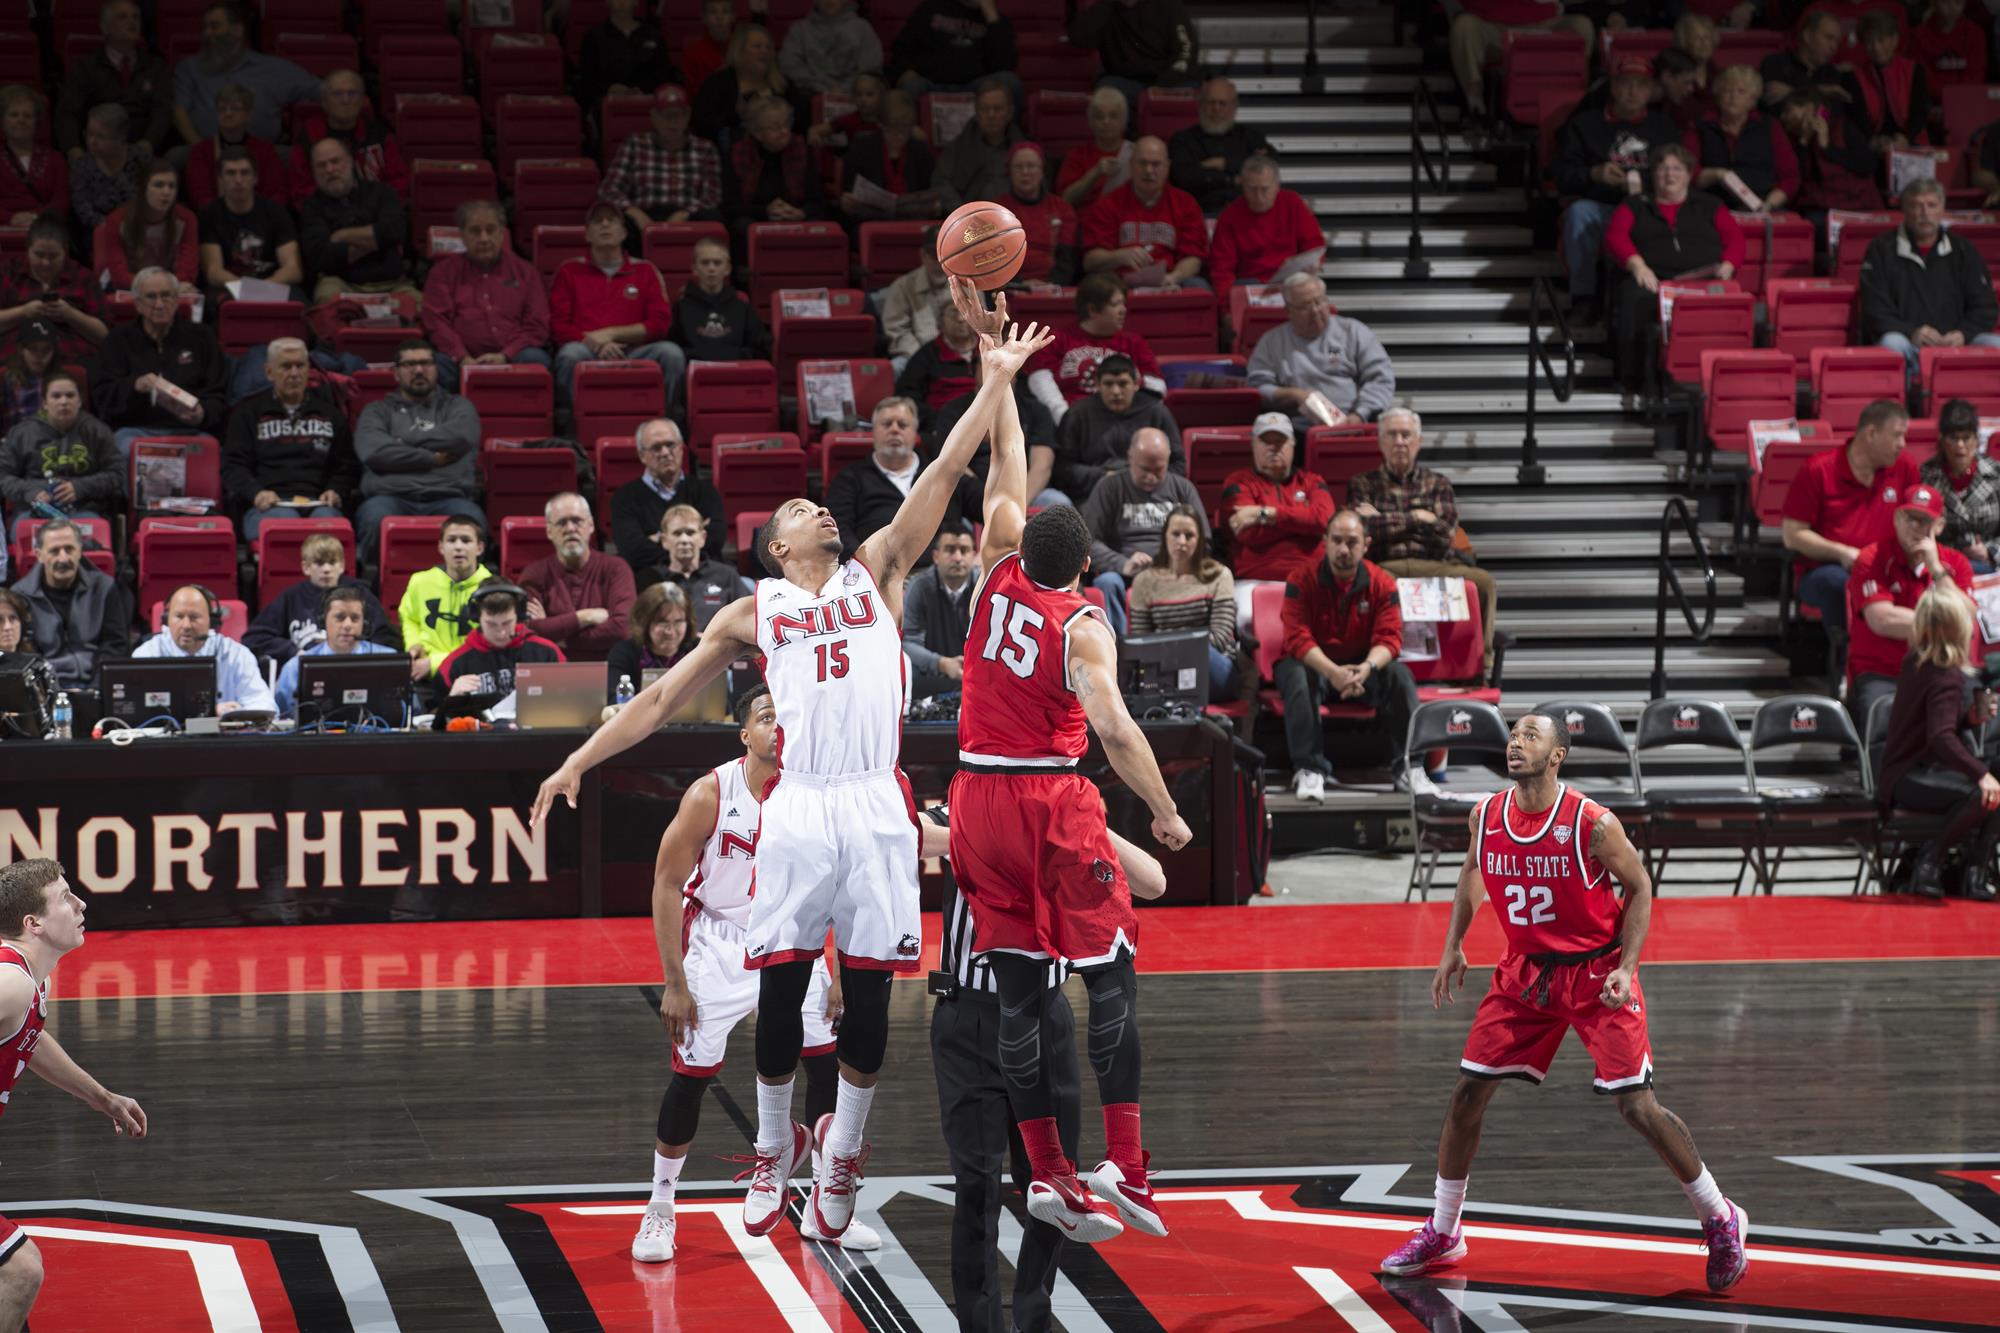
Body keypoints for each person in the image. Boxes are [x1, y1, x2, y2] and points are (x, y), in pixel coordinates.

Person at [531, 307, 1053, 1245]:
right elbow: (657, 703)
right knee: (780, 987)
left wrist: (996, 379)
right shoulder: (753, 610)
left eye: (820, 506)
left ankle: (842, 1154)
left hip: (877, 795)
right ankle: (772, 1149)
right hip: (803, 799)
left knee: (867, 987)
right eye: (800, 511)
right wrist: (577, 756)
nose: (819, 507)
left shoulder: (878, 568)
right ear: (778, 547)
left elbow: (940, 474)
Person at [946, 299, 1192, 1240]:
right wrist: (1165, 814)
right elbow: (1120, 734)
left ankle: (1045, 1170)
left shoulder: (995, 566)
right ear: (1086, 563)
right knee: (1111, 977)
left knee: (1016, 989)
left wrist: (995, 368)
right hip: (1048, 800)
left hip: (974, 799)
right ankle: (1127, 1166)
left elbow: (1005, 463)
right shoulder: (1082, 623)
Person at [1379, 712, 1749, 1294]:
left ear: (1557, 756)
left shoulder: (1590, 823)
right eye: (1514, 734)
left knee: (1637, 1107)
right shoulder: (1487, 814)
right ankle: (1445, 1229)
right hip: (1524, 973)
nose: (1516, 742)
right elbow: (1474, 872)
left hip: (1595, 973)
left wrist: (1627, 968)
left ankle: (1720, 1216)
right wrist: (1453, 945)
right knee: (1468, 1092)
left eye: (1532, 736)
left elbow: (1641, 886)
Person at [636, 685, 880, 1263]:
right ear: (745, 733)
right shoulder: (709, 794)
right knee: (691, 1077)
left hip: (794, 940)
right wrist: (674, 980)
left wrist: (838, 968)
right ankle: (661, 1206)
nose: (778, 726)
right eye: (765, 717)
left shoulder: (813, 794)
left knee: (826, 1063)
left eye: (785, 717)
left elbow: (838, 890)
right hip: (718, 943)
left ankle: (825, 1203)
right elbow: (667, 883)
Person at [924, 800, 1168, 1333]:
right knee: (975, 1184)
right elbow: (918, 838)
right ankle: (979, 1325)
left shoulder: (1070, 820)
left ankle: (1034, 1313)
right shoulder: (961, 806)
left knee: (1055, 1180)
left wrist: (1086, 829)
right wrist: (1004, 827)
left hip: (1044, 1020)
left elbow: (1153, 882)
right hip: (965, 1018)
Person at [0, 859, 149, 1331]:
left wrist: (100, 1097)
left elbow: (28, 1038)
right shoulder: (11, 982)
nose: (81, 903)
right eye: (65, 897)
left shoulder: (26, 981)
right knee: (19, 1272)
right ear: (34, 924)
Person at [1278, 508, 1425, 799]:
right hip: (1315, 666)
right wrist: (1333, 672)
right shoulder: (1301, 579)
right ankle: (1309, 769)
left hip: (1362, 667)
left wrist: (1366, 668)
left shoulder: (1382, 582)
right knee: (1294, 673)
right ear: (1325, 541)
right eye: (1336, 540)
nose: (1343, 549)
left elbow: (1390, 638)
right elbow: (1296, 637)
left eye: (1352, 542)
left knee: (1399, 674)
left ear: (1366, 544)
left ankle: (1409, 767)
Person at [1347, 406, 1500, 675]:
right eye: (1392, 435)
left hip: (1432, 564)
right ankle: (1366, 665)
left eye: (1406, 435)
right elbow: (1364, 531)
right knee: (1355, 583)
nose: (1399, 442)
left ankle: (1481, 667)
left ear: (1418, 441)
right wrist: (1419, 517)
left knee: (1483, 582)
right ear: (1380, 442)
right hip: (1384, 565)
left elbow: (1444, 534)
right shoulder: (1362, 483)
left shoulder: (1438, 483)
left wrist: (1386, 519)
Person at [1877, 585, 2000, 899]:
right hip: (1910, 776)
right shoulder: (1945, 675)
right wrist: (1980, 773)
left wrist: (1969, 719)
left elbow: (1936, 727)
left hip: (1910, 772)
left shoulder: (1916, 661)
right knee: (1982, 791)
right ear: (1955, 627)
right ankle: (1933, 860)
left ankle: (1974, 869)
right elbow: (1940, 738)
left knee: (1994, 783)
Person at [1604, 144, 1744, 393]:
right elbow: (1616, 237)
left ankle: (1721, 379)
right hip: (1654, 279)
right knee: (1634, 298)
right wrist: (1637, 265)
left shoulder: (1710, 205)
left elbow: (1736, 239)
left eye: (1677, 169)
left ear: (1689, 174)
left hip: (1703, 279)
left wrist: (1728, 264)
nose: (1670, 175)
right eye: (1663, 168)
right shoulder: (1635, 205)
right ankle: (1633, 379)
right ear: (1653, 174)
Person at [1554, 58, 1682, 325]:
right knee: (1579, 213)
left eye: (1641, 86)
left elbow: (1679, 174)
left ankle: (1660, 299)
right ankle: (1584, 298)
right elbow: (1561, 174)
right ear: (1613, 87)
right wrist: (1594, 174)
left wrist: (1642, 181)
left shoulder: (1664, 127)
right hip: (1602, 206)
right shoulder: (1585, 124)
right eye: (1626, 84)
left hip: (1649, 208)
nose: (1633, 92)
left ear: (1651, 91)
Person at [1782, 398, 1917, 632]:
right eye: (1896, 435)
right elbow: (1792, 535)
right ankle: (1849, 657)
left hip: (1889, 567)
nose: (1902, 444)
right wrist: (1842, 553)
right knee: (1842, 583)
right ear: (1871, 433)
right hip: (1830, 568)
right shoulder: (1818, 469)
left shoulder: (1905, 466)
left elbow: (1916, 521)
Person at [1846, 481, 1973, 727]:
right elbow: (1882, 620)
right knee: (1879, 716)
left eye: (1923, 520)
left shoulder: (1955, 563)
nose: (1914, 527)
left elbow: (1968, 619)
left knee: (1977, 707)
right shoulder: (1871, 558)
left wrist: (1936, 570)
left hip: (1942, 668)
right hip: (1882, 673)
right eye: (1909, 517)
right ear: (1896, 519)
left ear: (1939, 526)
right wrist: (1948, 620)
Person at [352, 340, 485, 562]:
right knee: (374, 519)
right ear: (396, 373)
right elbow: (373, 451)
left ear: (436, 368)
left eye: (425, 363)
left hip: (449, 496)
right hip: (390, 497)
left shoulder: (458, 406)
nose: (419, 370)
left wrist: (400, 441)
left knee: (472, 522)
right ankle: (374, 588)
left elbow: (461, 437)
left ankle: (468, 593)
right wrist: (430, 458)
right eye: (409, 364)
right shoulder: (377, 411)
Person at [1860, 178, 2000, 380]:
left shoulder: (1964, 250)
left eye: (1931, 205)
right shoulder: (1881, 250)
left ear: (1942, 209)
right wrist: (1912, 332)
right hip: (1908, 342)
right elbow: (1875, 309)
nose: (1925, 212)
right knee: (1891, 344)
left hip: (1959, 341)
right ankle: (1900, 410)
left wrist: (1963, 333)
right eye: (1916, 206)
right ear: (1904, 211)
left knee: (1997, 345)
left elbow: (1985, 307)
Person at [550, 203, 683, 412]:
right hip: (588, 350)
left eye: (611, 220)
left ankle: (667, 422)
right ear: (587, 234)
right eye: (597, 221)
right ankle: (570, 425)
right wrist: (597, 344)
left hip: (636, 351)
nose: (604, 225)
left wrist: (610, 334)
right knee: (569, 355)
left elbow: (660, 324)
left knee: (671, 354)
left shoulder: (645, 270)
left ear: (623, 232)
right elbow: (559, 326)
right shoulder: (569, 271)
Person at [222, 338, 356, 539]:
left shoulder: (330, 414)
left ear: (308, 369)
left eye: (300, 366)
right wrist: (256, 493)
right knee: (286, 526)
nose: (294, 373)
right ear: (269, 372)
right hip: (269, 505)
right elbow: (232, 466)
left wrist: (335, 490)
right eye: (285, 366)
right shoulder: (247, 414)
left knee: (330, 530)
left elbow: (346, 465)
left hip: (318, 503)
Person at [1079, 427, 1206, 636]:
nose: (1151, 476)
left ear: (1168, 460)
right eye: (1144, 468)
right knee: (1106, 583)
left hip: (1173, 568)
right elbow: (1089, 542)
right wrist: (1122, 563)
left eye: (1158, 469)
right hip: (1124, 570)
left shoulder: (1183, 489)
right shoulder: (1110, 487)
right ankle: (1118, 649)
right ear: (1130, 458)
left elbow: (1203, 540)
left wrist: (1174, 560)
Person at [93, 267, 228, 459]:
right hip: (135, 432)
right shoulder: (117, 340)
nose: (159, 304)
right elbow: (103, 399)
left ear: (176, 300)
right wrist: (135, 386)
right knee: (121, 451)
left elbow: (218, 392)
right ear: (138, 304)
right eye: (151, 297)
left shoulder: (202, 337)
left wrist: (202, 414)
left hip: (189, 432)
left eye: (166, 296)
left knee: (209, 454)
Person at [420, 200, 552, 391]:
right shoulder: (442, 273)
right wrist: (462, 357)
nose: (484, 238)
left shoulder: (526, 272)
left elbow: (537, 323)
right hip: (458, 359)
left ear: (502, 233)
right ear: (463, 236)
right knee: (432, 367)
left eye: (490, 230)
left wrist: (505, 355)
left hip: (515, 355)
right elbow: (436, 322)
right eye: (475, 231)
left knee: (534, 359)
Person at [826, 395, 979, 557]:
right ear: (873, 432)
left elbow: (987, 506)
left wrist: (981, 557)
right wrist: (863, 566)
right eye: (886, 424)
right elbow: (838, 530)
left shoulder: (942, 473)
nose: (894, 429)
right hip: (877, 574)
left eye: (902, 425)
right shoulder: (849, 479)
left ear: (915, 432)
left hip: (943, 575)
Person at [1213, 411, 1336, 611]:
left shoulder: (1313, 481)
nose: (1273, 447)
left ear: (1293, 444)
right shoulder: (1237, 482)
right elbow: (1248, 533)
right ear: (1253, 444)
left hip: (1313, 578)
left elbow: (1323, 520)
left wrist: (1265, 514)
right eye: (1266, 441)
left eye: (1280, 440)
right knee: (1246, 621)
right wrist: (1303, 524)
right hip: (1256, 581)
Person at [1128, 503, 1246, 704]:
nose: (1181, 542)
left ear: (1199, 540)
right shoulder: (1144, 581)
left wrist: (1170, 646)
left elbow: (1221, 637)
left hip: (1210, 664)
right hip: (1163, 664)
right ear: (1165, 536)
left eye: (1189, 536)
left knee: (1202, 656)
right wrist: (1178, 646)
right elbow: (1142, 641)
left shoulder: (1219, 575)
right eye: (1175, 534)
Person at [1247, 271, 1397, 428]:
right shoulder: (1272, 341)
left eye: (1319, 302)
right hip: (1295, 428)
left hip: (1354, 422)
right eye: (1305, 306)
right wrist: (1295, 395)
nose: (1315, 311)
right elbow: (1257, 386)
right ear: (1289, 311)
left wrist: (1359, 415)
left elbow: (1381, 378)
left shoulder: (1353, 331)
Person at [1038, 353, 1183, 506]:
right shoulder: (1077, 414)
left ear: (1136, 384)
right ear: (1097, 385)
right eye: (1108, 384)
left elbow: (1178, 464)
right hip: (1091, 497)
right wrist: (1105, 477)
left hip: (1150, 495)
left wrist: (1142, 479)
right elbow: (1062, 469)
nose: (1115, 391)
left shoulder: (1157, 412)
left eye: (1122, 384)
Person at [171, 1, 318, 147]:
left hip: (265, 155)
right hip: (205, 153)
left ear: (237, 30)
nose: (207, 33)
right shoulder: (189, 68)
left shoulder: (272, 67)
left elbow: (320, 89)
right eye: (205, 27)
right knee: (174, 159)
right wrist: (201, 151)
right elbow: (180, 112)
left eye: (214, 26)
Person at [1026, 272, 1167, 422]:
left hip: (1124, 421)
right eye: (1115, 304)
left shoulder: (1134, 343)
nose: (1123, 310)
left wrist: (1133, 416)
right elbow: (1039, 380)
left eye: (1123, 303)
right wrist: (1064, 417)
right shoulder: (1057, 340)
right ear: (1092, 309)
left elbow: (1156, 387)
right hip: (1074, 421)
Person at [242, 531, 396, 666]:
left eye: (332, 562)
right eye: (319, 563)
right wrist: (294, 652)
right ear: (306, 567)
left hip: (354, 669)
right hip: (306, 670)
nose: (326, 569)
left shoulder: (360, 594)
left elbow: (386, 637)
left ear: (342, 565)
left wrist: (358, 652)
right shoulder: (291, 597)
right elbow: (254, 638)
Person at [7, 519, 127, 689]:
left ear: (80, 551)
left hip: (97, 686)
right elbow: (26, 654)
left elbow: (115, 646)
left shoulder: (104, 588)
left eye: (69, 549)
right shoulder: (20, 595)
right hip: (45, 691)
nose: (63, 558)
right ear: (39, 555)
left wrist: (96, 689)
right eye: (54, 551)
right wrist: (53, 691)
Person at [0, 373, 122, 538]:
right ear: (44, 403)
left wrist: (79, 487)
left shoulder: (97, 431)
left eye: (70, 395)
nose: (63, 402)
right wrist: (31, 491)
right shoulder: (22, 433)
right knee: (26, 534)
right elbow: (3, 476)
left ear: (79, 401)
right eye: (56, 396)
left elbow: (117, 474)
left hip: (84, 510)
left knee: (95, 535)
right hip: (33, 511)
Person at [520, 491, 636, 662]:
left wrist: (559, 636)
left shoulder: (616, 568)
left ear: (590, 525)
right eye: (561, 523)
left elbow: (622, 628)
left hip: (608, 669)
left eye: (577, 521)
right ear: (549, 532)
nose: (570, 529)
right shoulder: (534, 574)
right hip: (552, 671)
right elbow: (527, 631)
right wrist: (584, 617)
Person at [299, 138, 416, 308]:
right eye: (321, 165)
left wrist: (341, 236)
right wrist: (376, 241)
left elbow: (394, 232)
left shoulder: (382, 193)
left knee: (422, 307)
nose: (330, 169)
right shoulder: (311, 206)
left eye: (335, 161)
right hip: (341, 283)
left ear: (350, 161)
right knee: (326, 300)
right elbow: (321, 256)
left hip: (393, 284)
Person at [1082, 135, 1209, 290]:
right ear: (1130, 166)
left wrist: (1174, 277)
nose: (1149, 170)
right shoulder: (1108, 204)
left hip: (1170, 280)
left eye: (1156, 164)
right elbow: (1090, 261)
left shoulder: (1185, 204)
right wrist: (1119, 256)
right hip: (1119, 285)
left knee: (1198, 285)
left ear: (1167, 168)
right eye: (1142, 163)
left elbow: (1193, 259)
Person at [54, 0, 172, 160]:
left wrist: (149, 143)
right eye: (122, 17)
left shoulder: (156, 66)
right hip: (97, 151)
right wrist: (74, 151)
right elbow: (68, 113)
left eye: (136, 17)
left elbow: (162, 111)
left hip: (143, 149)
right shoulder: (85, 67)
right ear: (105, 27)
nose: (132, 22)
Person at [132, 583, 278, 712]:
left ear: (212, 621)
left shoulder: (235, 654)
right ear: (166, 620)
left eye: (194, 617)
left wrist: (233, 714)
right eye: (179, 616)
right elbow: (135, 710)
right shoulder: (148, 654)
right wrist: (211, 712)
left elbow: (265, 706)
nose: (186, 626)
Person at [600, 85, 723, 236]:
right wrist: (634, 212)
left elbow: (712, 195)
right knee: (619, 222)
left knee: (712, 217)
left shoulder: (705, 148)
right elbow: (608, 189)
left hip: (688, 215)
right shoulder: (635, 144)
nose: (674, 122)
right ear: (653, 116)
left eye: (679, 115)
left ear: (688, 115)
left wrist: (684, 214)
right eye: (667, 116)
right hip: (644, 215)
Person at [612, 418, 726, 581]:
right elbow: (633, 551)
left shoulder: (705, 491)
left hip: (705, 577)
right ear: (642, 455)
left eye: (670, 445)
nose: (665, 452)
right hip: (651, 581)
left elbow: (715, 540)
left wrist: (657, 538)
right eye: (656, 447)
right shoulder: (623, 498)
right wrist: (691, 542)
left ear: (681, 448)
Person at [1448, 0, 1595, 121]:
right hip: (1495, 28)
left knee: (1582, 26)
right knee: (1463, 26)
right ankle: (1475, 102)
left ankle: (1579, 100)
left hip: (1545, 24)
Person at [271, 583, 402, 717]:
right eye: (339, 617)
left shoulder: (390, 661)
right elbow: (280, 719)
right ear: (323, 622)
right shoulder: (296, 667)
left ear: (365, 623)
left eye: (355, 618)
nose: (347, 625)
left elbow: (409, 713)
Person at [285, 70, 407, 210]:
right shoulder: (309, 137)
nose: (345, 100)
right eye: (337, 94)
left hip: (376, 215)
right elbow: (301, 192)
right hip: (325, 218)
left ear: (362, 101)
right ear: (324, 102)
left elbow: (399, 184)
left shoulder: (380, 134)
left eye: (352, 93)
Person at [1207, 156, 1325, 300]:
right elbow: (1222, 270)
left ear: (1277, 185)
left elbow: (1314, 244)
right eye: (1252, 189)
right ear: (1242, 186)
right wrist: (1227, 309)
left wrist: (1314, 263)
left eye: (1265, 189)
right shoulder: (1229, 217)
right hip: (1250, 284)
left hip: (1289, 281)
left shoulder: (1292, 203)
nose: (1259, 196)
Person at [720, 94, 830, 249]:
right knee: (741, 227)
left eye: (786, 124)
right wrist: (765, 211)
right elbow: (730, 206)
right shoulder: (738, 153)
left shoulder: (801, 149)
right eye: (775, 127)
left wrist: (801, 213)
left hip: (796, 217)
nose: (784, 131)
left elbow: (817, 200)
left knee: (820, 226)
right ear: (757, 133)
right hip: (756, 219)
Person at [1688, 65, 1798, 215]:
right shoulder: (1701, 126)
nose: (1733, 97)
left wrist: (1769, 204)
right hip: (1713, 204)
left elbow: (1790, 176)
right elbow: (1688, 172)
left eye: (1741, 92)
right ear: (1718, 95)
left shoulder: (1770, 126)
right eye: (1727, 90)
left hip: (1764, 202)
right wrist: (1718, 174)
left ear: (1752, 100)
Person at [436, 578, 567, 703]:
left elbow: (569, 700)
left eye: (507, 623)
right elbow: (432, 717)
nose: (501, 632)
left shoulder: (547, 653)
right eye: (491, 624)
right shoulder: (455, 664)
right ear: (477, 617)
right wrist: (452, 699)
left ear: (519, 615)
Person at [197, 146, 304, 297]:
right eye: (231, 173)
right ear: (220, 179)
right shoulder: (209, 214)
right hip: (230, 288)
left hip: (271, 285)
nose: (238, 180)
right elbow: (213, 272)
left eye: (245, 173)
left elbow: (293, 270)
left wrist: (262, 289)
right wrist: (246, 290)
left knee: (297, 296)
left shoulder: (276, 212)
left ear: (255, 178)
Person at [0, 220, 106, 372]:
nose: (45, 262)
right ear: (27, 249)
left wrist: (70, 314)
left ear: (65, 251)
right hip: (13, 356)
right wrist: (23, 312)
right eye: (39, 254)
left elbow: (104, 336)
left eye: (53, 256)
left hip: (73, 357)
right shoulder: (7, 272)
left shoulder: (83, 276)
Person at [400, 514, 493, 681]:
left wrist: (434, 663)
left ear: (480, 548)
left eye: (466, 540)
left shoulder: (491, 588)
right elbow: (410, 618)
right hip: (426, 675)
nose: (458, 547)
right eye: (451, 540)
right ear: (441, 547)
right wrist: (414, 644)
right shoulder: (420, 582)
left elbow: (489, 642)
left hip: (475, 673)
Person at [1068, 0, 1199, 117]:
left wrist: (1162, 85)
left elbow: (1186, 50)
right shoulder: (1106, 9)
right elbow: (1078, 37)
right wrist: (1106, 4)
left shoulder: (1168, 5)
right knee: (1106, 93)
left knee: (1193, 89)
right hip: (1125, 82)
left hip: (1169, 79)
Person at [690, 22, 809, 147]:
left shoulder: (784, 85)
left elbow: (800, 127)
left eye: (768, 47)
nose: (764, 51)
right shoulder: (717, 83)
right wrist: (735, 115)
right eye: (757, 46)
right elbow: (701, 127)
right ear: (739, 51)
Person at [1778, 89, 1884, 225]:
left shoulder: (1842, 127)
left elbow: (1867, 165)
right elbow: (1798, 178)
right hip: (1819, 208)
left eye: (1788, 111)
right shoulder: (1789, 139)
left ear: (1809, 108)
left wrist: (1828, 148)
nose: (1783, 117)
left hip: (1858, 204)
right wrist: (1803, 142)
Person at [1169, 78, 1274, 215]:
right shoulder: (1183, 140)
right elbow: (1184, 178)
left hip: (1248, 213)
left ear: (1234, 106)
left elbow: (1270, 164)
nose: (1216, 108)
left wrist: (1224, 164)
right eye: (1211, 102)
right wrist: (1232, 179)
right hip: (1200, 214)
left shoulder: (1250, 136)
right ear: (1200, 104)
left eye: (1222, 103)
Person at [1920, 399, 2000, 573]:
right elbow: (1919, 531)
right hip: (1943, 567)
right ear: (1941, 439)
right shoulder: (1926, 476)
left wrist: (1991, 551)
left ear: (1977, 439)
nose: (1960, 445)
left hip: (1992, 568)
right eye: (1953, 438)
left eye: (1966, 437)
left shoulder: (1996, 474)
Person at [95, 161, 199, 294]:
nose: (166, 192)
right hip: (128, 287)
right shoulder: (117, 220)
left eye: (172, 186)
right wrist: (161, 287)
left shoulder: (187, 218)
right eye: (158, 185)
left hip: (172, 287)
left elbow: (188, 271)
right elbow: (119, 277)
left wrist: (170, 286)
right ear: (143, 189)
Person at [900, 520, 977, 699]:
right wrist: (941, 663)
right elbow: (908, 642)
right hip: (932, 674)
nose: (958, 557)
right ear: (935, 556)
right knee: (906, 671)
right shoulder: (919, 586)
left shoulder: (985, 585)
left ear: (974, 556)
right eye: (950, 550)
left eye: (964, 551)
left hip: (977, 671)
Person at [890, 0, 1020, 103]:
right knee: (910, 85)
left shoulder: (996, 20)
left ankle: (1010, 136)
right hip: (931, 84)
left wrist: (991, 14)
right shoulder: (931, 8)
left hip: (976, 87)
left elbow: (1005, 66)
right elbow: (901, 48)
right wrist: (905, 70)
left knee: (1009, 82)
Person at [838, 89, 939, 223]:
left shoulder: (919, 150)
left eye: (905, 130)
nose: (900, 137)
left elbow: (930, 190)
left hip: (912, 221)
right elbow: (849, 191)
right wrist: (848, 202)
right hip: (872, 222)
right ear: (881, 125)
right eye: (893, 130)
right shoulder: (861, 148)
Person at [182, 83, 283, 212]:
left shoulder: (266, 151)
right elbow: (199, 196)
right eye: (222, 109)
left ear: (249, 114)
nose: (228, 113)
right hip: (216, 221)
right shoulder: (201, 152)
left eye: (235, 108)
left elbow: (277, 194)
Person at [667, 237, 769, 363]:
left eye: (717, 263)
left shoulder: (743, 308)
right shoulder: (680, 308)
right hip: (695, 377)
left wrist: (734, 357)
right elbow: (672, 352)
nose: (711, 269)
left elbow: (760, 349)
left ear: (727, 269)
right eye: (705, 263)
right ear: (694, 269)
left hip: (737, 375)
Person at [643, 503, 745, 622]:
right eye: (677, 533)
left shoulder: (727, 575)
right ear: (664, 540)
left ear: (703, 538)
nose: (684, 540)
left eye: (690, 533)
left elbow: (746, 619)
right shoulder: (650, 578)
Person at [934, 79, 1024, 214]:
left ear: (1010, 112)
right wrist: (963, 214)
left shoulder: (1024, 150)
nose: (991, 115)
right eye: (985, 109)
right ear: (976, 112)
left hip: (1016, 220)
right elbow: (940, 183)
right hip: (971, 225)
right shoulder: (957, 148)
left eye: (997, 109)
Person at [894, 297, 982, 433]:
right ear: (939, 322)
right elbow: (907, 397)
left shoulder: (988, 351)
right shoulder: (926, 355)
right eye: (953, 313)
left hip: (985, 422)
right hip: (941, 426)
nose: (960, 319)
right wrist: (934, 420)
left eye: (966, 312)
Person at [575, 0, 677, 112]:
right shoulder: (593, 37)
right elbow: (587, 78)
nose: (622, 2)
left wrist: (642, 89)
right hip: (605, 104)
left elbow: (663, 74)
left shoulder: (654, 35)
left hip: (648, 104)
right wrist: (609, 89)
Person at [1851, 10, 1931, 152]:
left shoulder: (1914, 70)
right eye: (1869, 42)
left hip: (1911, 141)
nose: (1876, 47)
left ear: (1895, 40)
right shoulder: (1855, 76)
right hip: (1874, 145)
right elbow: (1859, 118)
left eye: (1881, 40)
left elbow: (1920, 112)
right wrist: (1874, 141)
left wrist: (1906, 139)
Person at [606, 580, 699, 697]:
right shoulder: (624, 653)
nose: (670, 631)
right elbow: (614, 700)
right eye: (662, 622)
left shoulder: (698, 649)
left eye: (678, 622)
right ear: (644, 622)